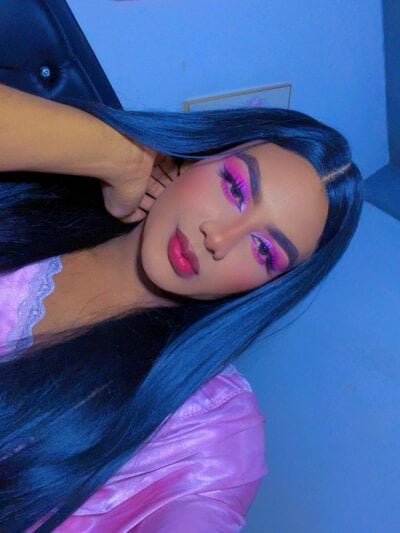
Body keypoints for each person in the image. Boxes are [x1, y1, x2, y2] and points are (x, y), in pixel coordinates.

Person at [0, 85, 363, 531]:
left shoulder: (208, 430)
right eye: (234, 187)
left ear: (268, 286)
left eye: (264, 250)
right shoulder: (38, 189)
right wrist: (115, 154)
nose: (219, 238)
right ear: (198, 157)